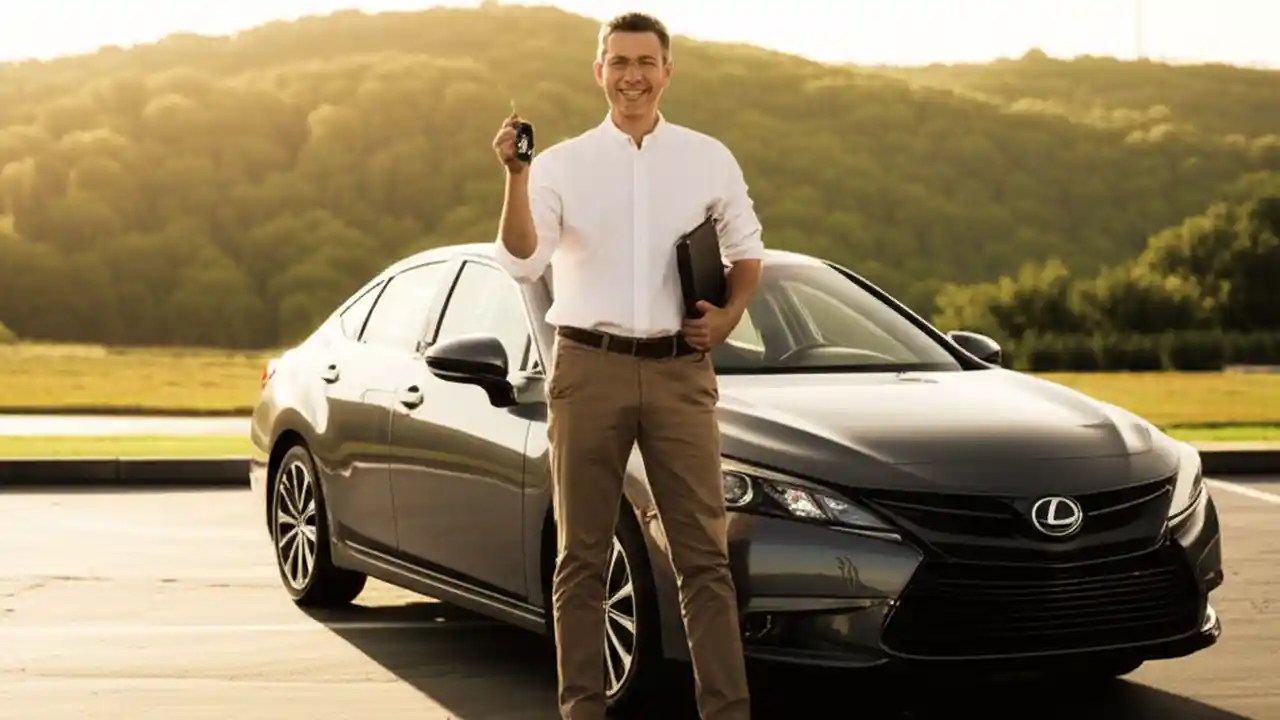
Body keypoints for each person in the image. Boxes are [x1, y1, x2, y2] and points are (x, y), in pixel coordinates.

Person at [490, 11, 764, 720]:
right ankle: (583, 709)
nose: (633, 75)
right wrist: (516, 177)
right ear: (599, 71)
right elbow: (523, 259)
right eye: (619, 61)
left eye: (646, 61)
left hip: (680, 372)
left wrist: (729, 315)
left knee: (703, 557)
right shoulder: (560, 164)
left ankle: (726, 712)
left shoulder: (708, 157)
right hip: (589, 368)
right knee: (581, 556)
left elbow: (747, 251)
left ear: (667, 71)